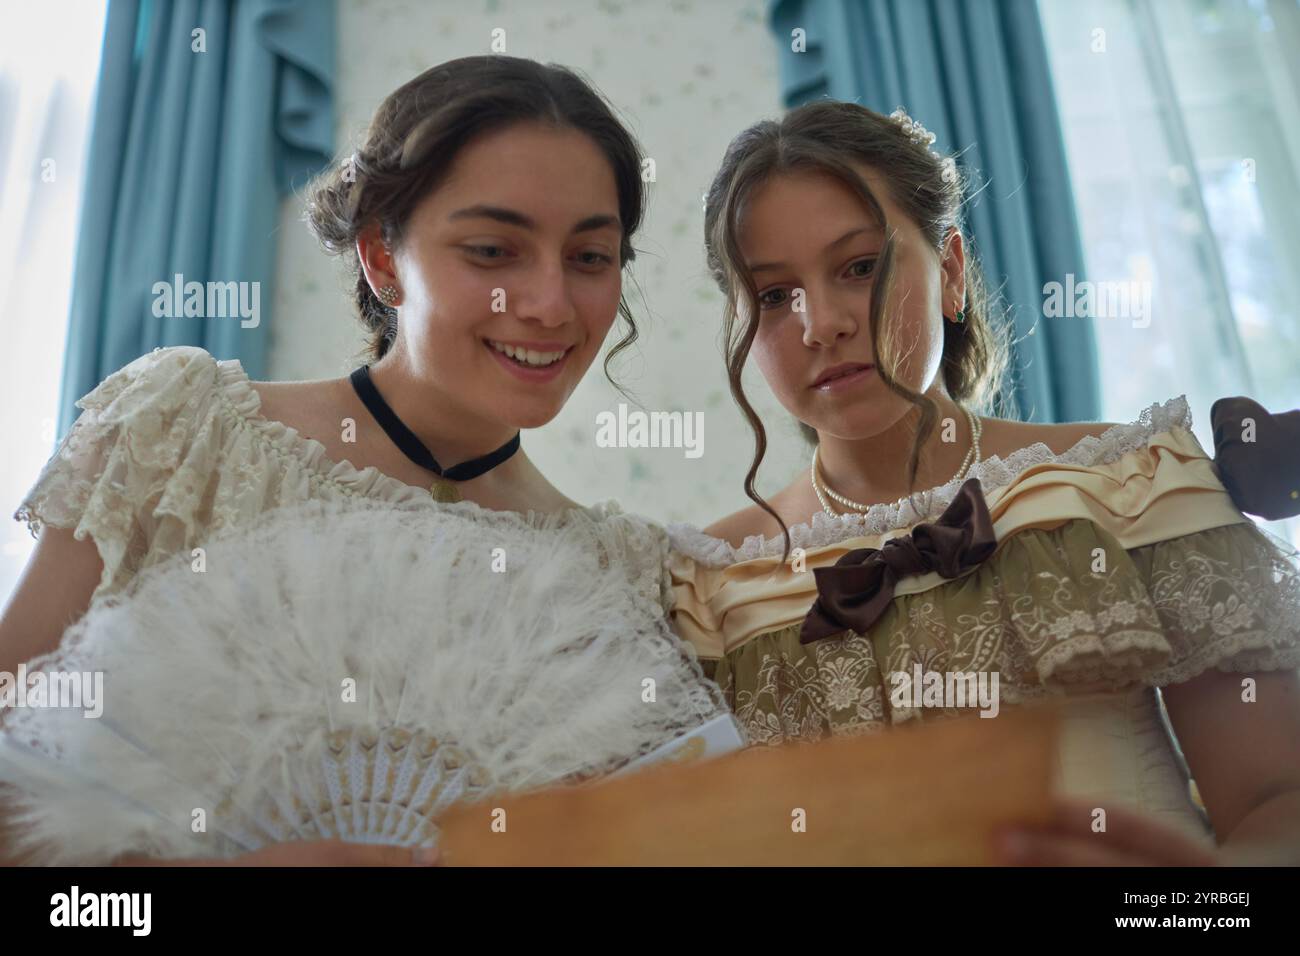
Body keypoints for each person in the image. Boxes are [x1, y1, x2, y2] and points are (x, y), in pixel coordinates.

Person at [0, 55, 731, 866]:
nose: (550, 304)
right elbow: (14, 784)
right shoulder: (185, 433)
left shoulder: (617, 576)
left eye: (590, 257)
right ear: (383, 257)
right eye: (493, 250)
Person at [667, 99, 1300, 865]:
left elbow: (1276, 806)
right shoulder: (710, 591)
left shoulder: (1133, 480)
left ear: (952, 273)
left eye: (861, 267)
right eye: (774, 295)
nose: (820, 322)